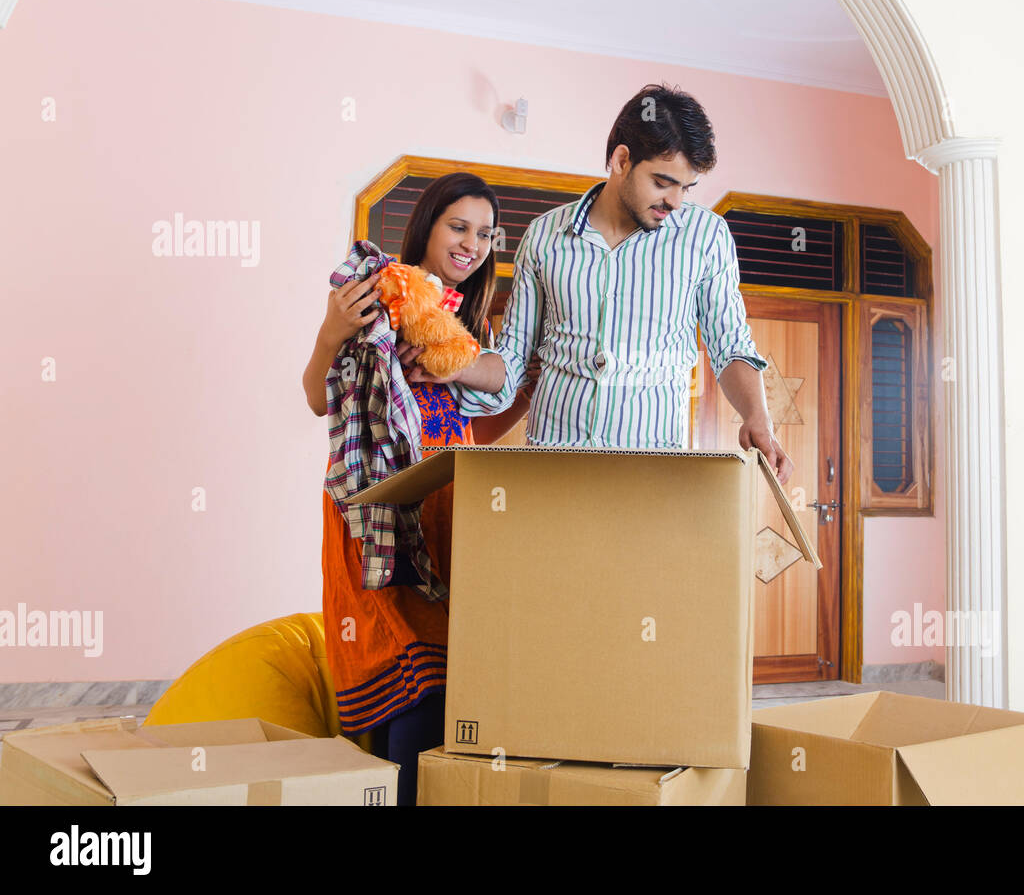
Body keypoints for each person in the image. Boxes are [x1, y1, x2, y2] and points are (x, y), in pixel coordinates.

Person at [301, 172, 537, 806]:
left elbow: (475, 430)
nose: (472, 244)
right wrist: (330, 331)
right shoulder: (383, 298)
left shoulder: (462, 327)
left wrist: (533, 383)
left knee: (445, 676)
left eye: (486, 234)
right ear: (427, 224)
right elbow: (314, 395)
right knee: (409, 668)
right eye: (458, 227)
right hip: (379, 511)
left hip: (443, 512)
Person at [428, 83, 795, 483]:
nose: (674, 201)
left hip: (652, 476)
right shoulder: (544, 236)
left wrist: (758, 416)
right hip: (551, 471)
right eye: (662, 182)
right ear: (622, 159)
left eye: (685, 188)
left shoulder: (706, 237)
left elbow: (730, 346)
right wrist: (454, 365)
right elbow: (513, 364)